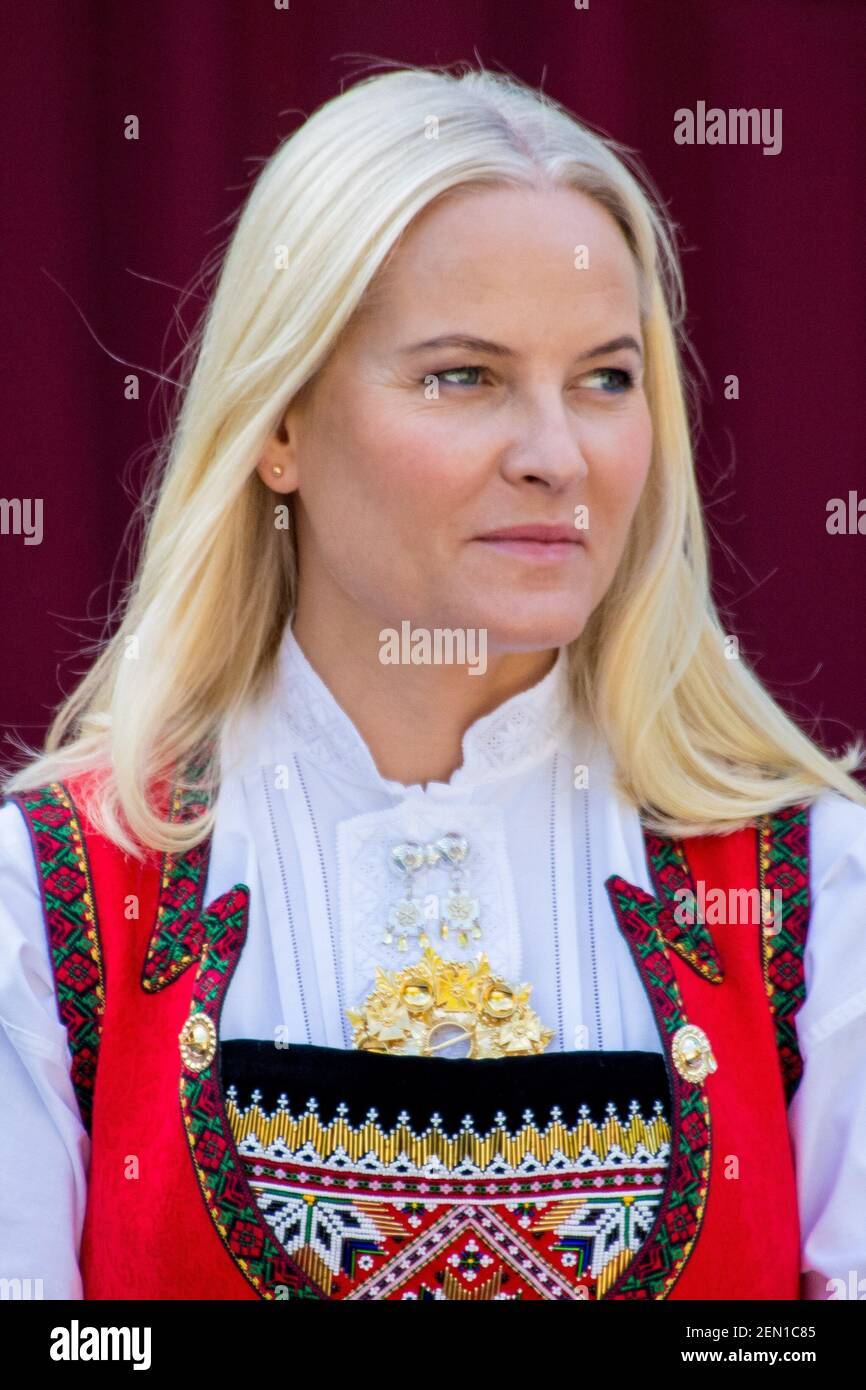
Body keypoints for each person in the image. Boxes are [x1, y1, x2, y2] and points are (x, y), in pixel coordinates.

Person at [1, 61, 865, 1303]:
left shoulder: (811, 895)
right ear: (279, 427)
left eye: (604, 379)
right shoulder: (50, 900)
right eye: (463, 376)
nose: (556, 456)